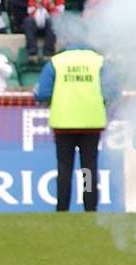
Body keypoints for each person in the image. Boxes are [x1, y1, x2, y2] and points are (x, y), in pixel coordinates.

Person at [34, 37, 119, 213]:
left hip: (63, 121)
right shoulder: (98, 62)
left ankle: (62, 208)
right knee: (89, 167)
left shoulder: (57, 62)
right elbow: (112, 92)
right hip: (91, 122)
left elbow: (42, 93)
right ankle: (90, 206)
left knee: (64, 167)